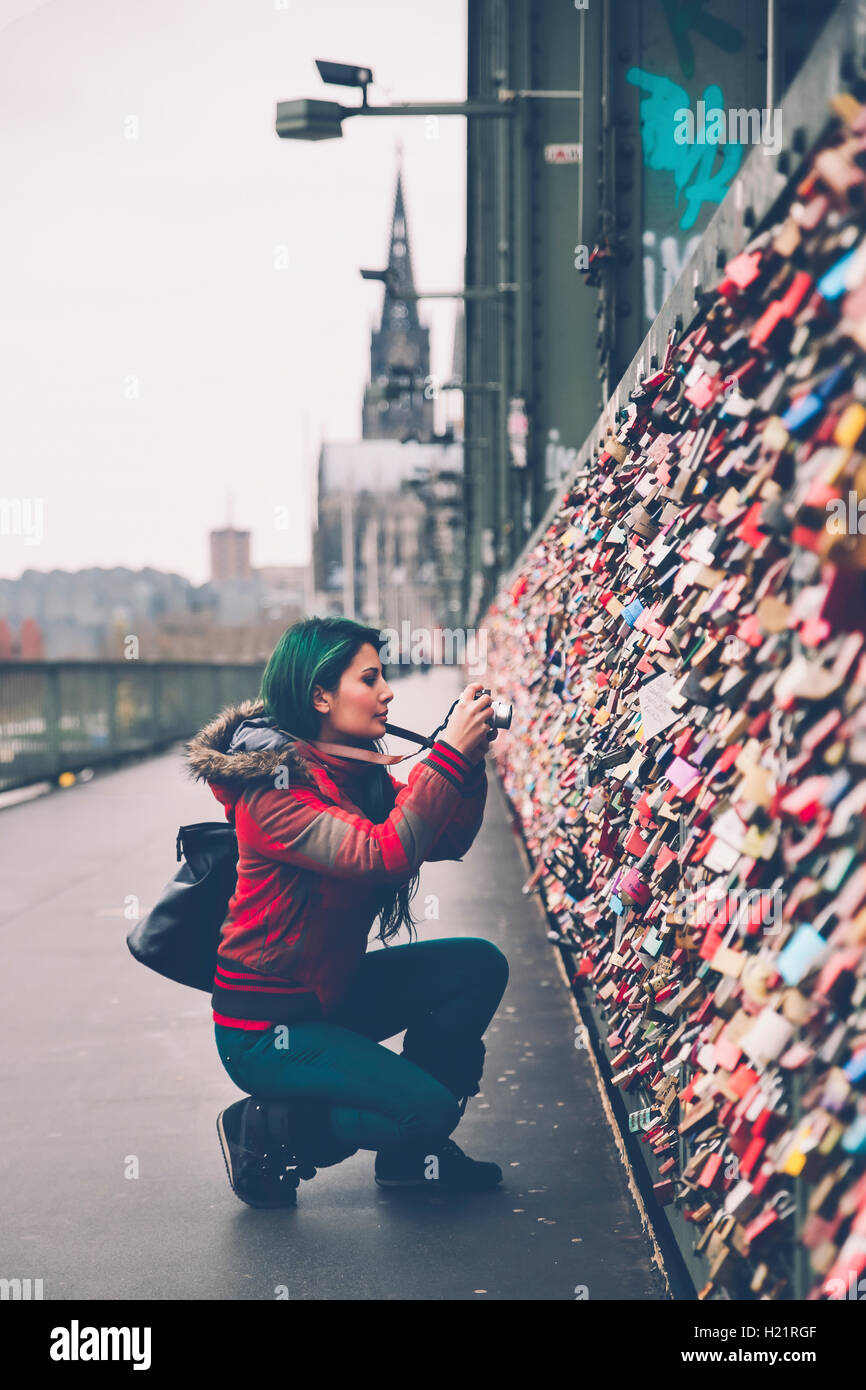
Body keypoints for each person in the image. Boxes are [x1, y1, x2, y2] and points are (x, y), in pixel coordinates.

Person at [185, 615, 509, 1208]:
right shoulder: (271, 792)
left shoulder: (353, 769)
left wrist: (468, 761)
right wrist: (446, 757)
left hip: (331, 995)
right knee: (428, 1110)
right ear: (320, 695)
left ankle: (413, 1160)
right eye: (371, 678)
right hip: (267, 1028)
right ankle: (268, 1131)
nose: (388, 691)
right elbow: (384, 852)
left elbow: (446, 841)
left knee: (478, 966)